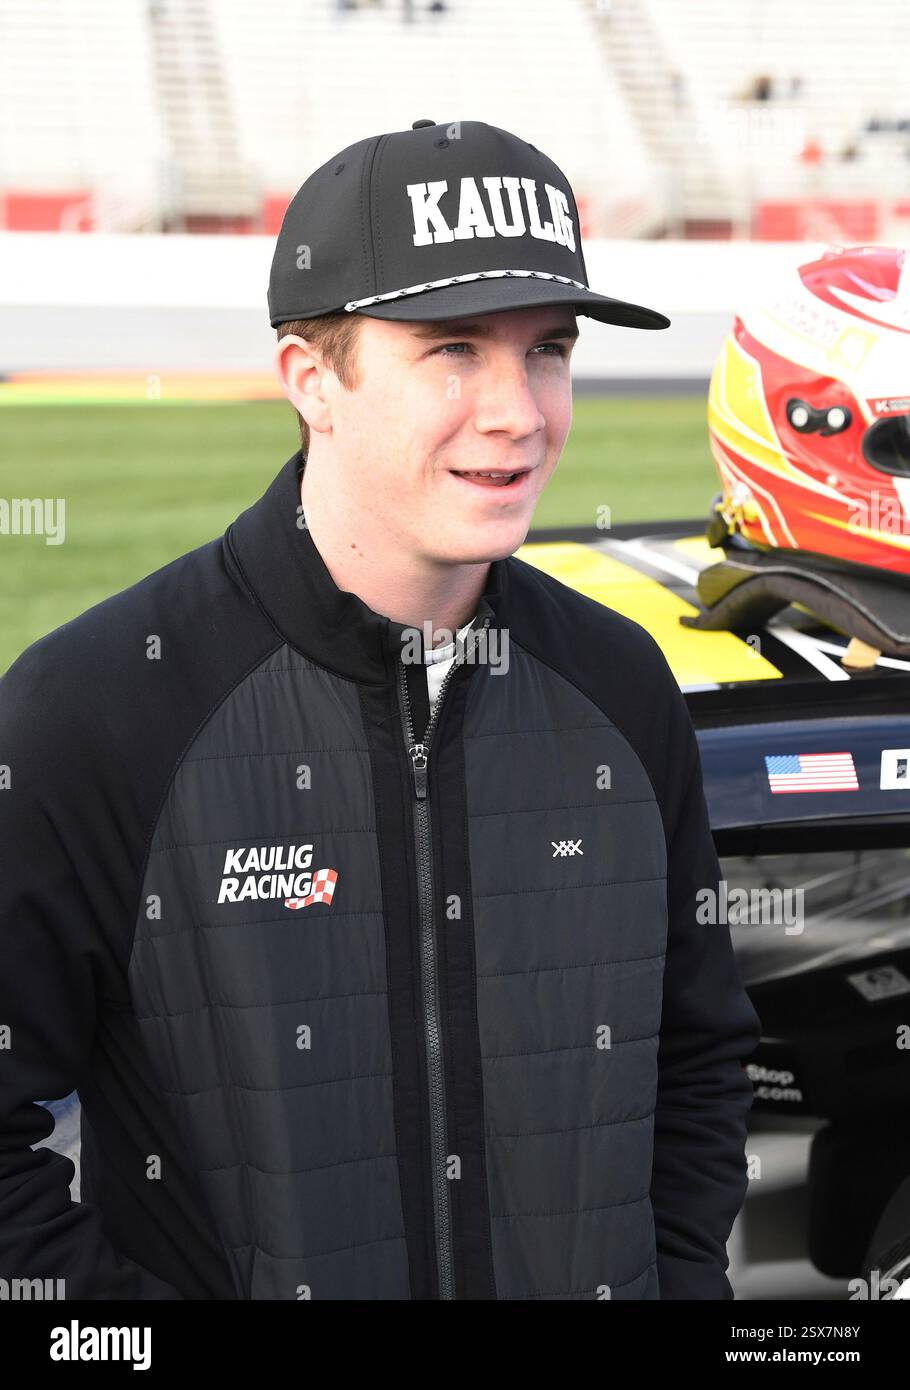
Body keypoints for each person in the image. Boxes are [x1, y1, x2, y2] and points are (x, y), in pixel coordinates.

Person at [0, 118, 761, 1300]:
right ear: (314, 380)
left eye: (547, 349)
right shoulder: (92, 704)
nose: (518, 411)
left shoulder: (620, 683)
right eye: (452, 350)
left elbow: (700, 1054)